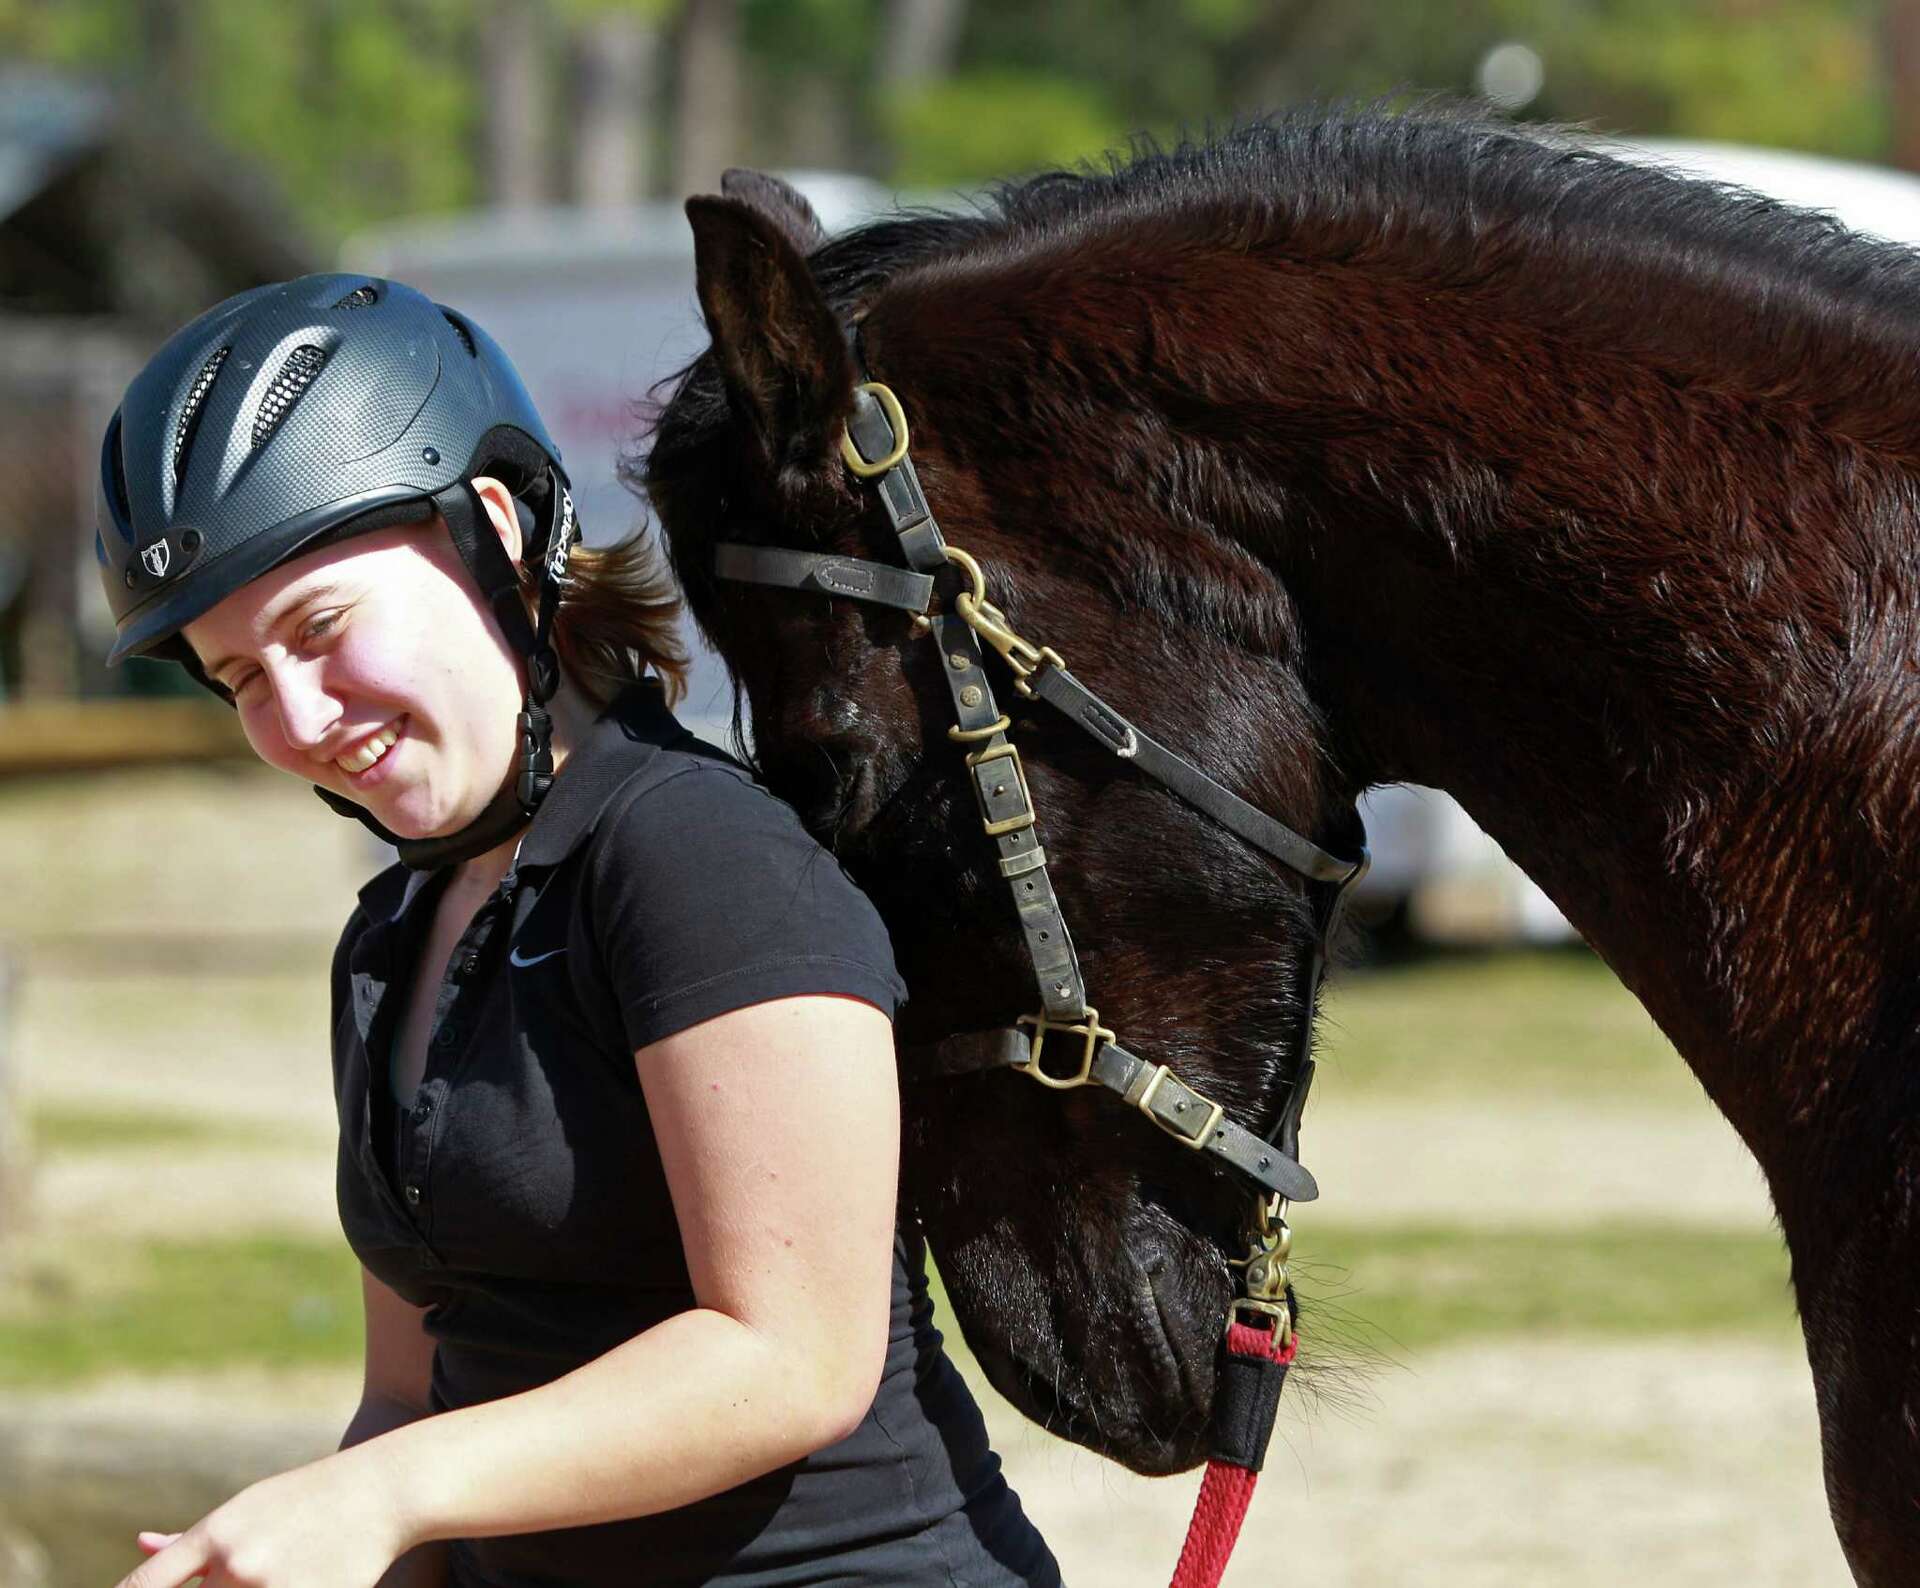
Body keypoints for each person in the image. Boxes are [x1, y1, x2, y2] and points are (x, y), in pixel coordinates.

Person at [96, 273, 1061, 1588]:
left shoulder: (690, 853)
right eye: (242, 679)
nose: (300, 718)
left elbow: (790, 1355)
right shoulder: (391, 934)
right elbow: (412, 1397)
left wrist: (379, 1493)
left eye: (321, 629)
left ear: (493, 530)